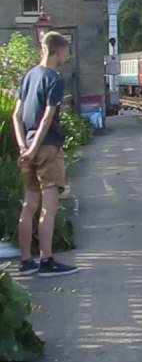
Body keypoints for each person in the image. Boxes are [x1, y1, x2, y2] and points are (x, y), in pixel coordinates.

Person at [12, 31, 79, 277]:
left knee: (29, 206)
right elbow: (47, 119)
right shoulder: (54, 80)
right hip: (47, 148)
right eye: (66, 52)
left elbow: (16, 116)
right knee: (48, 208)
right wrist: (32, 150)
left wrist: (23, 147)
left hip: (28, 146)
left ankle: (26, 260)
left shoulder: (28, 76)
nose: (66, 56)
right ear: (59, 51)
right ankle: (47, 260)